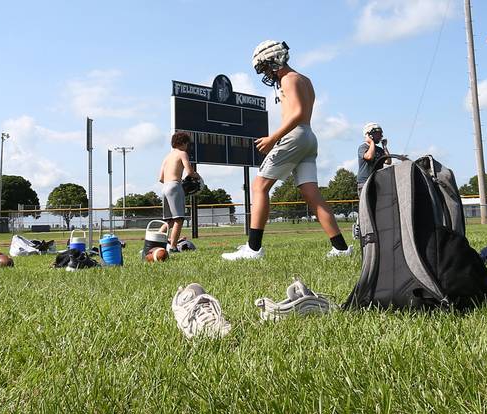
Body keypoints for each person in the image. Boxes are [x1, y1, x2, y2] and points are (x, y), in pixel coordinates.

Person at [222, 40, 353, 260]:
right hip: (309, 137)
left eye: (264, 66)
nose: (265, 72)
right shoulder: (305, 80)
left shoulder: (288, 79)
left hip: (295, 136)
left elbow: (298, 112)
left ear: (274, 59)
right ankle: (341, 248)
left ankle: (253, 249)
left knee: (259, 186)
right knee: (312, 194)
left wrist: (274, 138)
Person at [159, 132, 200, 250]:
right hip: (174, 186)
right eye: (187, 144)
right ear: (183, 143)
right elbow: (190, 172)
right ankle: (172, 247)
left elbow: (161, 178)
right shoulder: (182, 153)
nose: (187, 147)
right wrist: (197, 176)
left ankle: (154, 242)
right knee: (179, 219)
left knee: (169, 221)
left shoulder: (167, 157)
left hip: (165, 187)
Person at [357, 122, 391, 196]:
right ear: (369, 135)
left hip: (378, 181)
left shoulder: (379, 149)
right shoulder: (363, 147)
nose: (380, 136)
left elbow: (388, 161)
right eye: (377, 134)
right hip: (365, 182)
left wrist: (384, 147)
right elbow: (369, 157)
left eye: (380, 134)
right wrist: (371, 142)